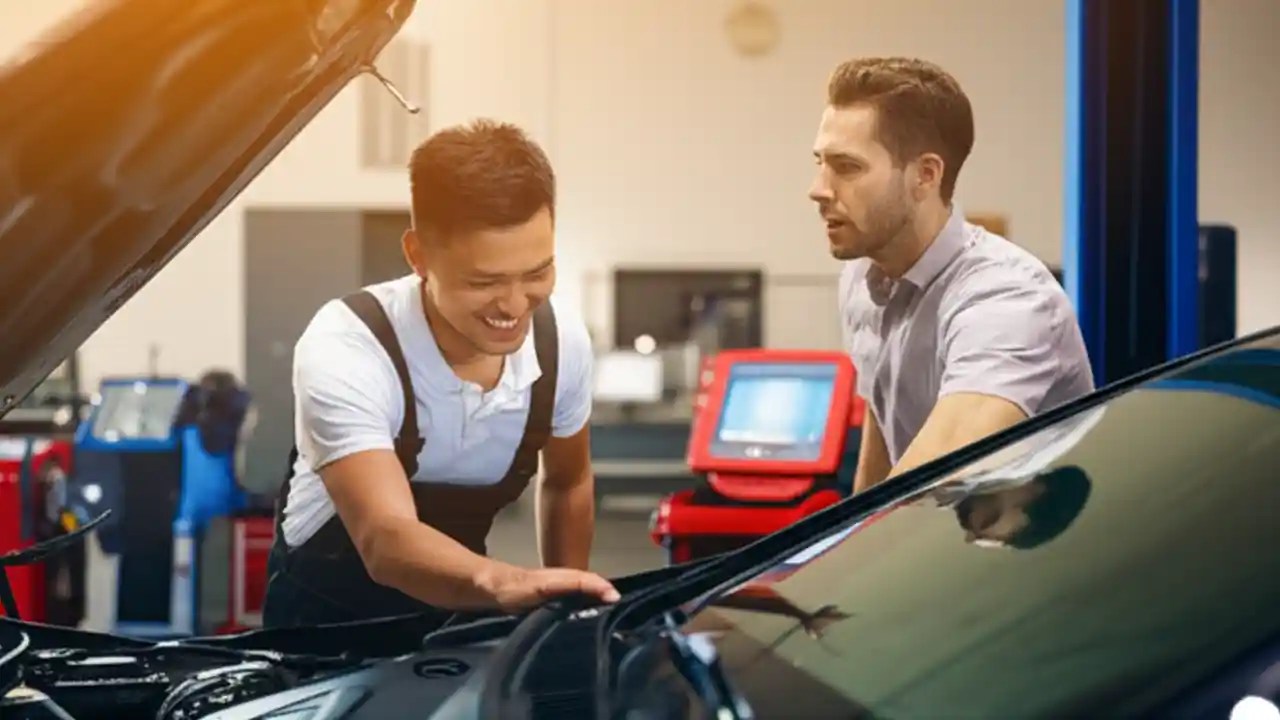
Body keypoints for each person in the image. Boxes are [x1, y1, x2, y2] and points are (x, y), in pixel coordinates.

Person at [262, 119, 619, 628]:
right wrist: (506, 582)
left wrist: (564, 609)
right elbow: (384, 536)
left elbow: (567, 480)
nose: (516, 305)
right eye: (485, 281)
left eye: (537, 273)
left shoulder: (560, 343)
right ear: (418, 256)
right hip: (321, 633)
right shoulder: (349, 345)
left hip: (457, 618)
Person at [808, 56, 1095, 494]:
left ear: (925, 176)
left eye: (847, 167)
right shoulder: (863, 276)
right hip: (949, 541)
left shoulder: (1008, 298)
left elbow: (931, 482)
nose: (819, 189)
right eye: (819, 162)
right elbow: (883, 421)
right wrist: (850, 548)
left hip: (1024, 555)